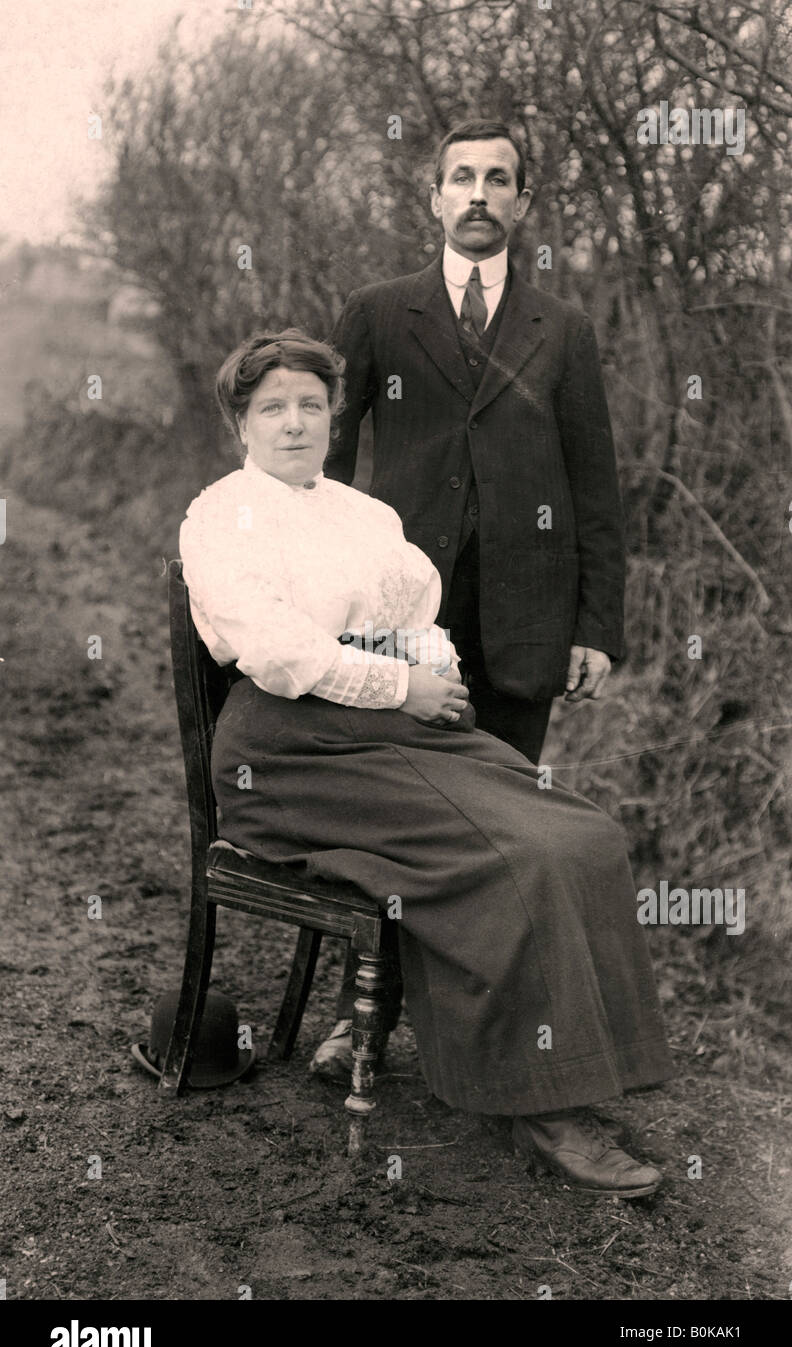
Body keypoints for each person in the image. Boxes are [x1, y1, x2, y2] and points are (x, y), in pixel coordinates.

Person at [179, 328, 673, 1198]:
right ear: (240, 424)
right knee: (521, 855)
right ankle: (539, 1103)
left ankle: (585, 1067)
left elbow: (416, 612)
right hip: (289, 754)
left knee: (583, 833)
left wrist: (432, 669)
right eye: (271, 409)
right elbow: (280, 652)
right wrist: (397, 686)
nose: (293, 424)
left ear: (334, 417)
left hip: (391, 726)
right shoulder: (222, 514)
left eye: (309, 406)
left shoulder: (366, 515)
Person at [317, 119, 628, 1070]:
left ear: (523, 202)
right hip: (399, 626)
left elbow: (595, 486)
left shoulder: (561, 331)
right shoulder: (377, 313)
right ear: (437, 197)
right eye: (463, 178)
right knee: (391, 824)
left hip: (526, 627)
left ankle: (484, 1045)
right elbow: (322, 470)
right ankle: (360, 1015)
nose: (480, 194)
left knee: (500, 835)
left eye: (500, 179)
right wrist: (320, 600)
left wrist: (596, 628)